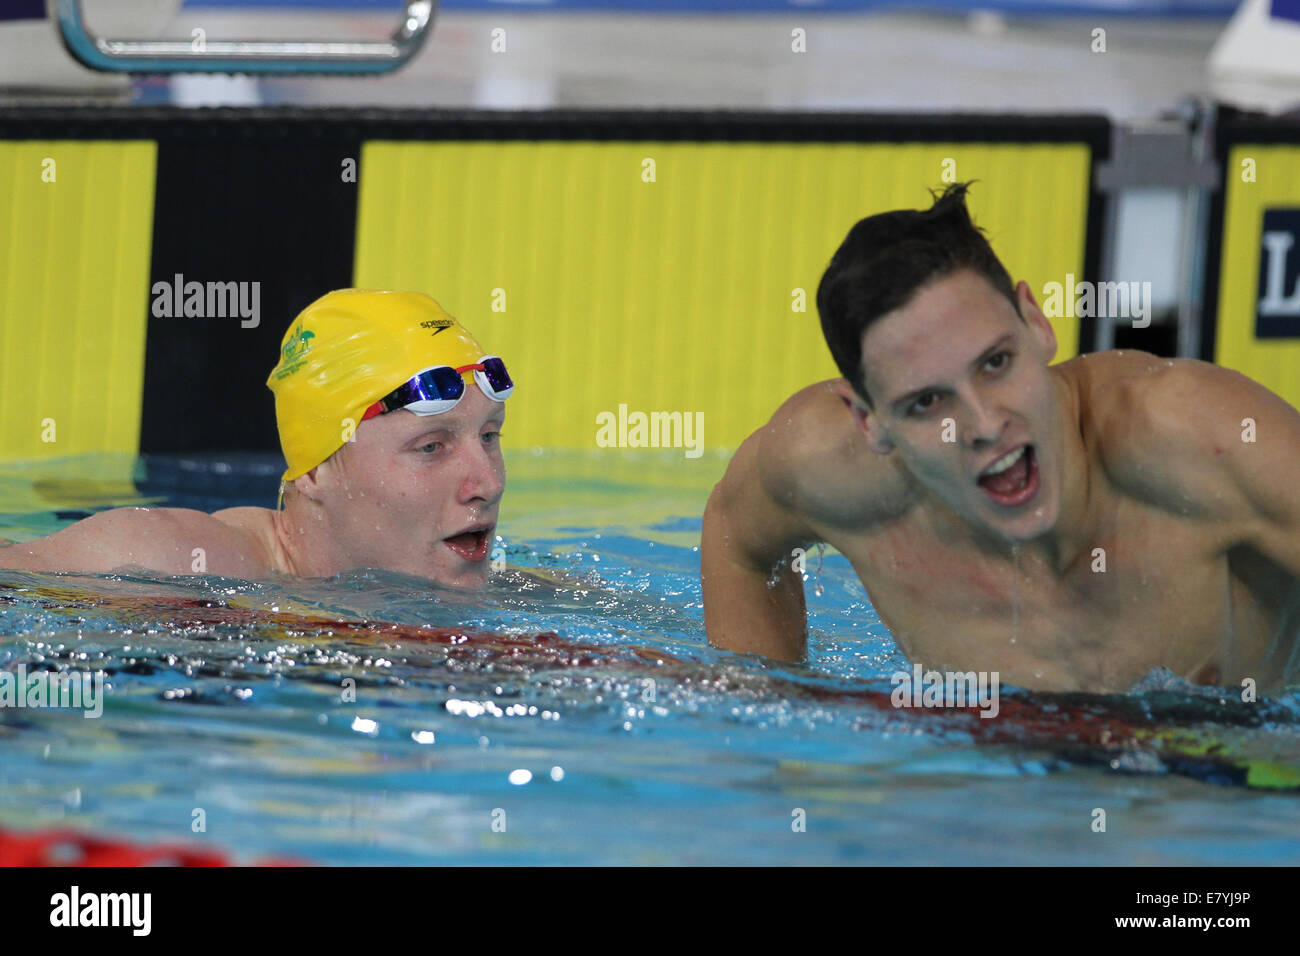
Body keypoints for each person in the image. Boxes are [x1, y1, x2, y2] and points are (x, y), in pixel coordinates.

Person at [701, 182, 1300, 693]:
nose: (985, 424)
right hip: (997, 770)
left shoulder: (1206, 444)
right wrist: (766, 702)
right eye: (927, 401)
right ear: (870, 422)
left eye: (995, 363)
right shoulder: (823, 466)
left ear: (1036, 324)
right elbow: (737, 539)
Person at [0, 289, 512, 589]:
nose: (487, 483)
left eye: (489, 435)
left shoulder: (516, 597)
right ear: (315, 468)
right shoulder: (167, 563)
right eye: (431, 447)